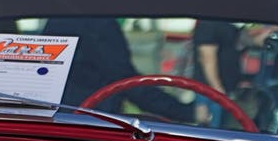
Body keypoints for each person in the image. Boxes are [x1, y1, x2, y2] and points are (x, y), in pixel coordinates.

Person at [46, 17, 194, 123]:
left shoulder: (57, 19)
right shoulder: (98, 25)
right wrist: (185, 112)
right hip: (92, 123)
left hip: (54, 120)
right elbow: (125, 82)